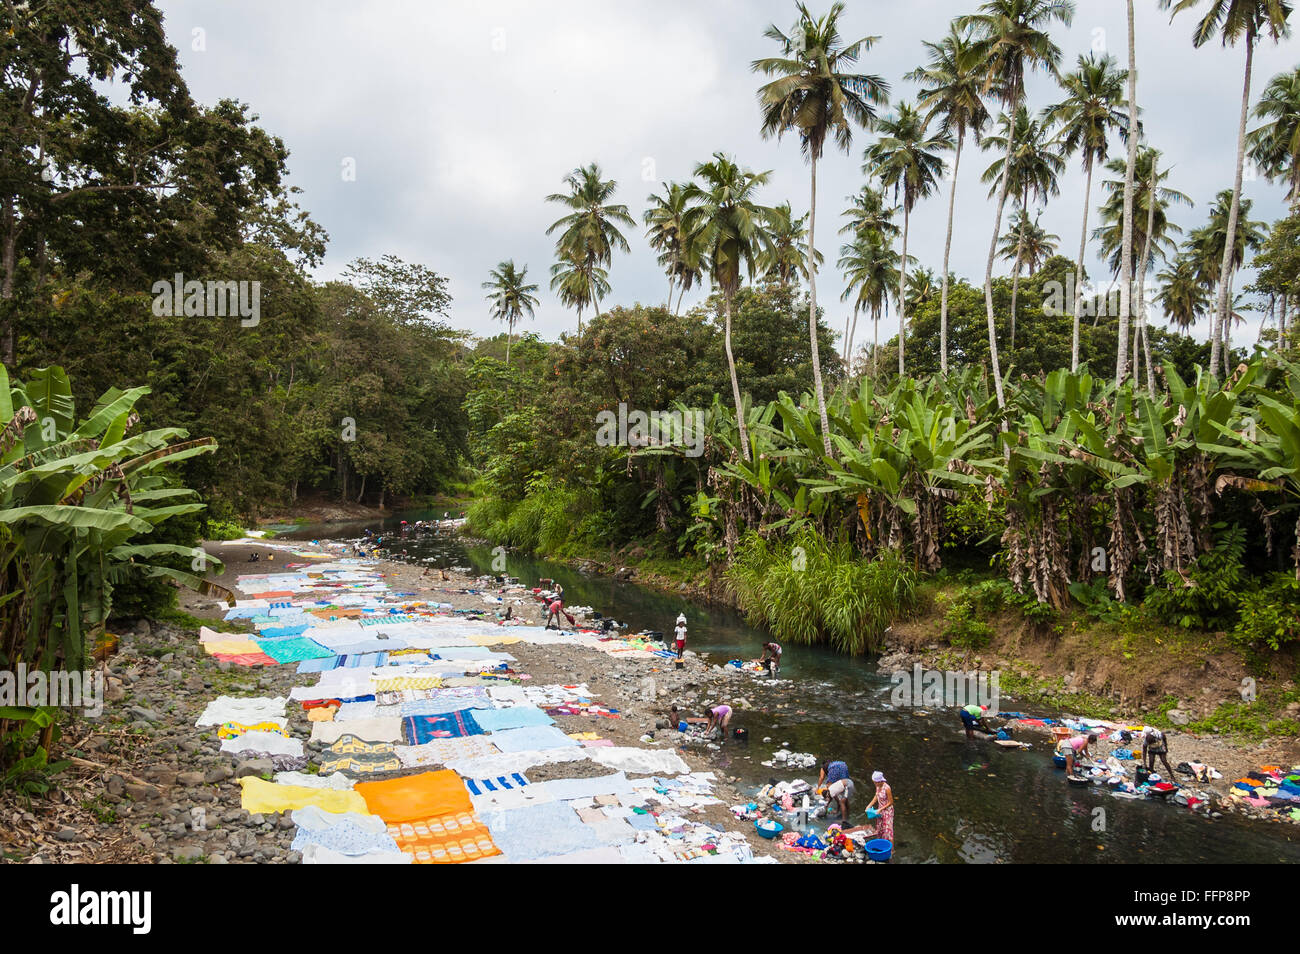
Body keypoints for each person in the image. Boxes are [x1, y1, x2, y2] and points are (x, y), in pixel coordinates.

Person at [863, 771, 894, 844]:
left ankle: (892, 850)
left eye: (875, 782)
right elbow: (876, 796)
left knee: (888, 831)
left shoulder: (887, 788)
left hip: (887, 811)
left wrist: (881, 809)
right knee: (880, 829)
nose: (874, 784)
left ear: (880, 781)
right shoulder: (877, 786)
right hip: (880, 811)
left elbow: (891, 802)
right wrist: (869, 805)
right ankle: (882, 844)